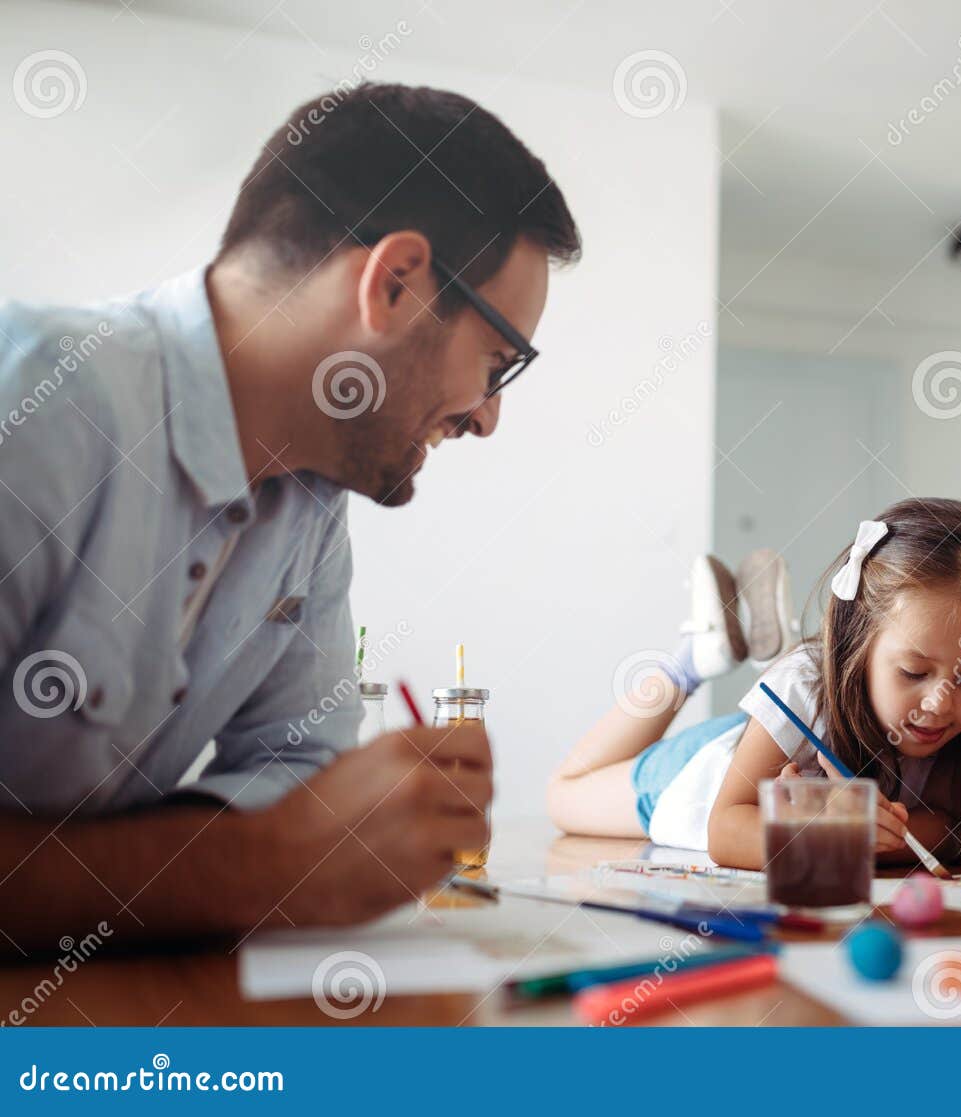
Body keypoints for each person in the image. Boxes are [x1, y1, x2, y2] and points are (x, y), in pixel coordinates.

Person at [0, 83, 580, 949]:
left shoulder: (307, 503)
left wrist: (299, 840)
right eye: (497, 361)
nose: (487, 416)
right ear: (394, 283)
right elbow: (279, 843)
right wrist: (250, 862)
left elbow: (300, 763)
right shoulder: (38, 402)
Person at [548, 498, 961, 868]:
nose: (938, 702)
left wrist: (861, 833)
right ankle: (690, 662)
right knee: (565, 795)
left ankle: (706, 651)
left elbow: (948, 824)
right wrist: (817, 832)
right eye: (913, 673)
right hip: (697, 775)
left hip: (759, 739)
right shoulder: (804, 680)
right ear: (855, 642)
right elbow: (725, 830)